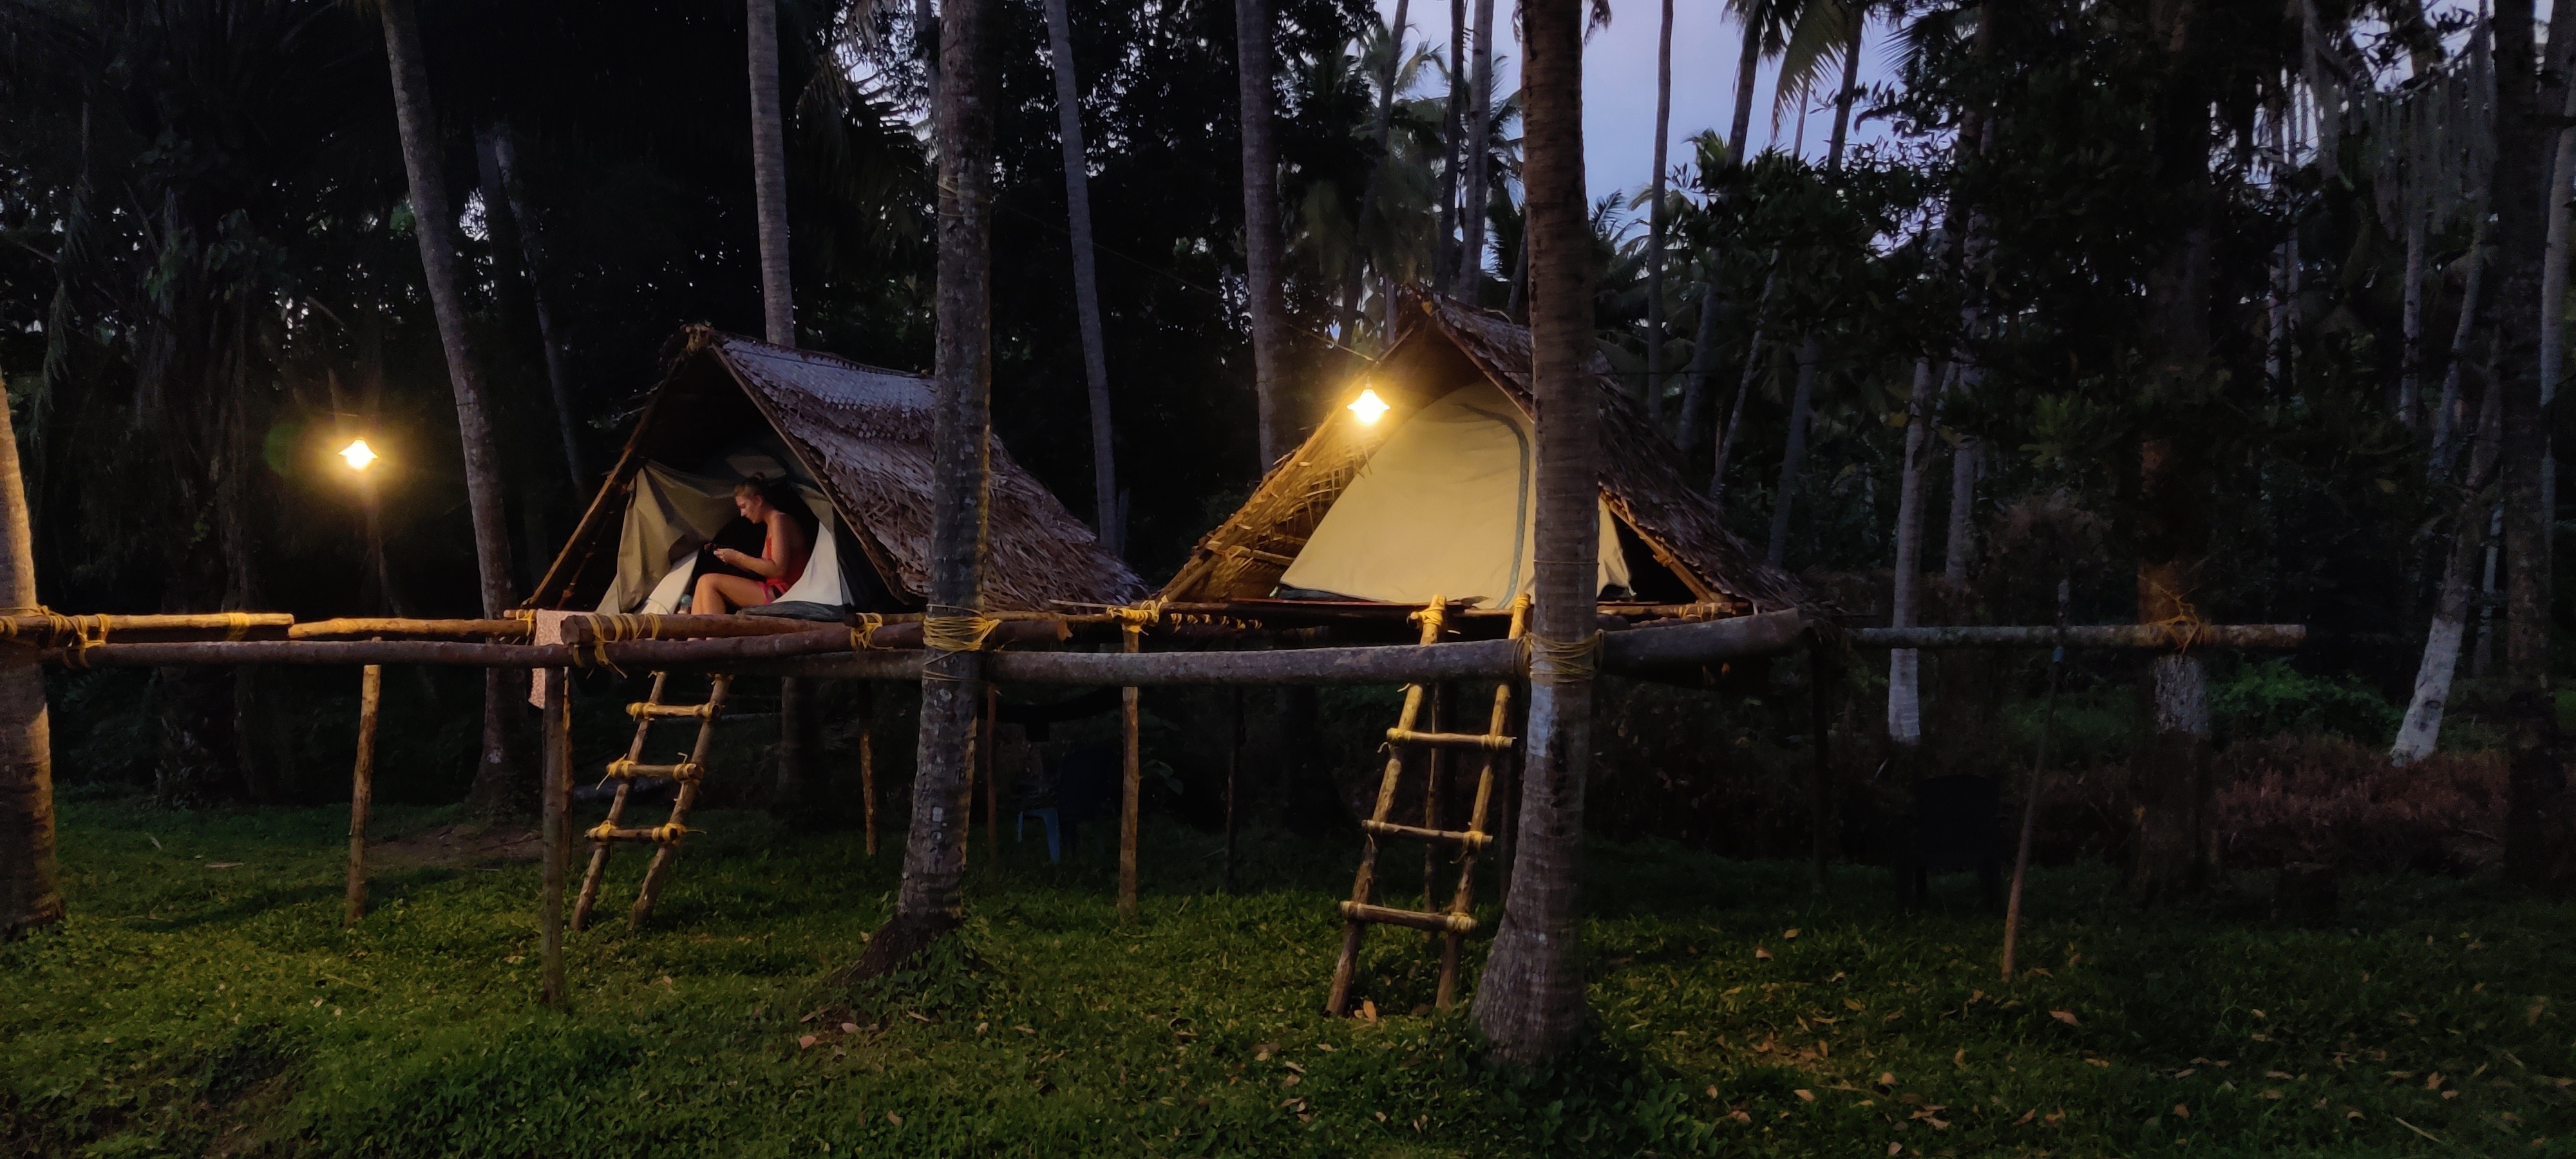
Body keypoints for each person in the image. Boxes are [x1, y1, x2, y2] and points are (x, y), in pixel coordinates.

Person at [692, 475, 812, 614]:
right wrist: (731, 559)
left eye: (744, 507)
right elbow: (762, 567)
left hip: (786, 593)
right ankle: (694, 636)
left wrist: (738, 557)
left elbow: (778, 570)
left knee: (709, 582)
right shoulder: (770, 524)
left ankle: (712, 636)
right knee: (703, 582)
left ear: (758, 500)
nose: (743, 514)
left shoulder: (780, 520)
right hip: (774, 589)